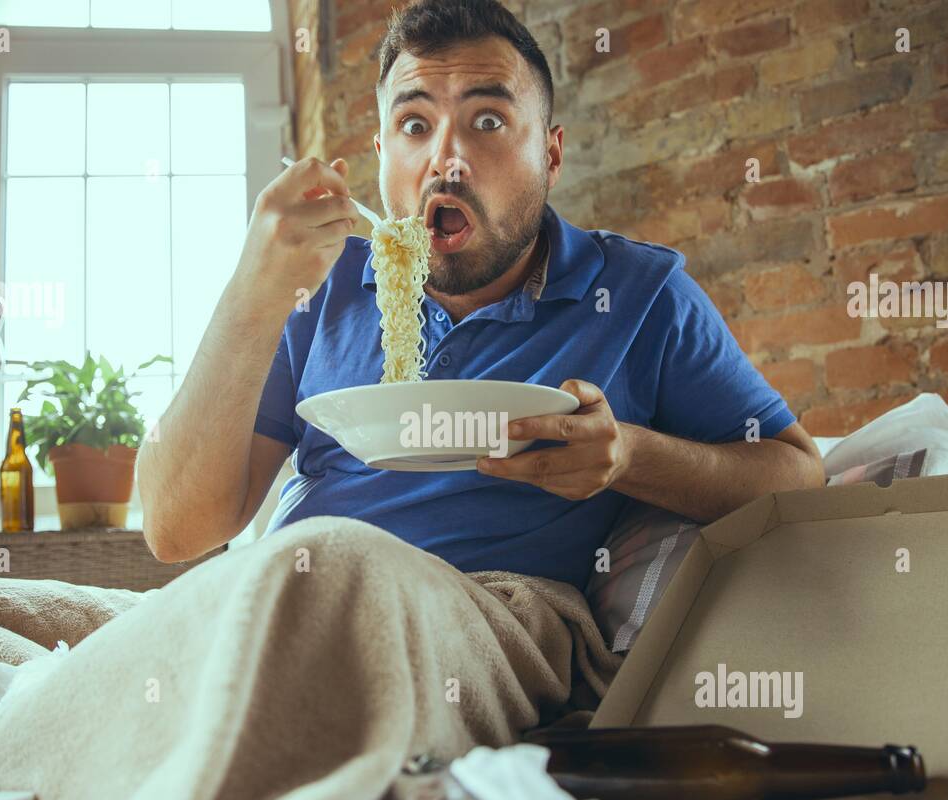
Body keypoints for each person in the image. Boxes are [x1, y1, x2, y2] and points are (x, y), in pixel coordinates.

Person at [137, 0, 824, 592]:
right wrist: (247, 297)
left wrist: (629, 456)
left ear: (551, 154)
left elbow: (798, 475)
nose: (446, 159)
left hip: (490, 617)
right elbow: (176, 531)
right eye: (414, 126)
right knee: (33, 620)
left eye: (488, 121)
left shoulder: (642, 294)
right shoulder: (318, 286)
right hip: (277, 592)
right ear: (379, 153)